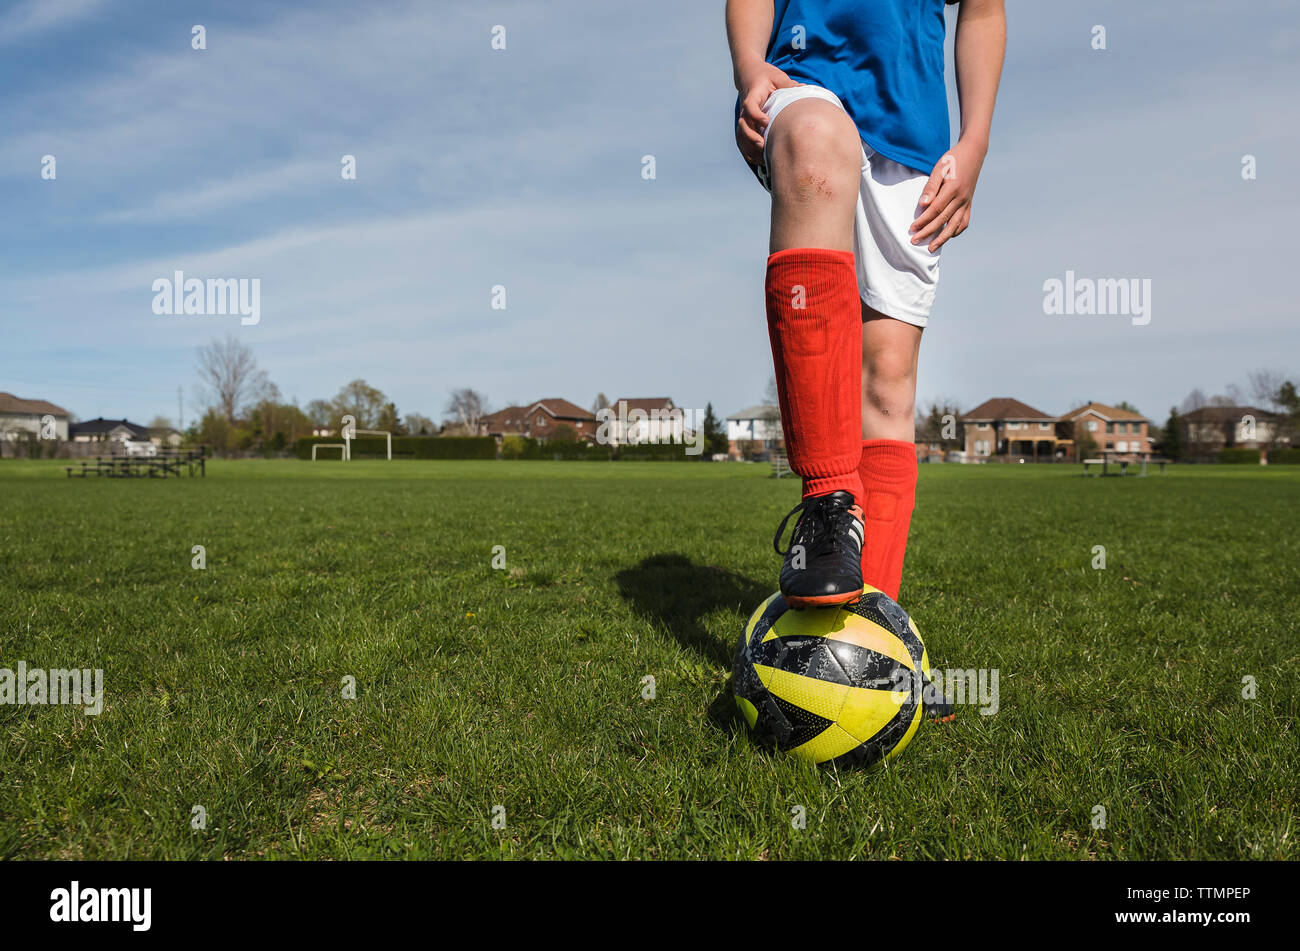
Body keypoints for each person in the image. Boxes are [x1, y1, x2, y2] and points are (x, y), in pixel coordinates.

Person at [726, 0, 1006, 608]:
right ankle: (827, 506)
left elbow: (983, 12)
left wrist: (975, 140)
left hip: (914, 134)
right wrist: (750, 65)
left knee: (887, 383)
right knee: (814, 139)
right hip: (804, 82)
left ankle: (879, 636)